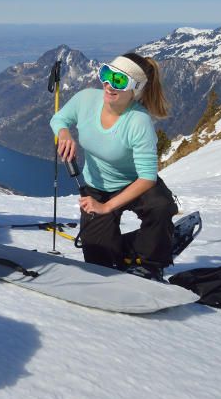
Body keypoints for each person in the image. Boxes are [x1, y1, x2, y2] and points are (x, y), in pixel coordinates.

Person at [50, 53, 177, 280]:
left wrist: (106, 208)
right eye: (107, 74)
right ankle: (136, 244)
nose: (109, 85)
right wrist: (64, 132)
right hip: (96, 186)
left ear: (135, 89)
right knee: (100, 262)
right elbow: (58, 119)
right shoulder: (86, 99)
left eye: (119, 80)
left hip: (134, 184)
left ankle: (152, 264)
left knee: (160, 206)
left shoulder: (139, 121)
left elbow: (147, 177)